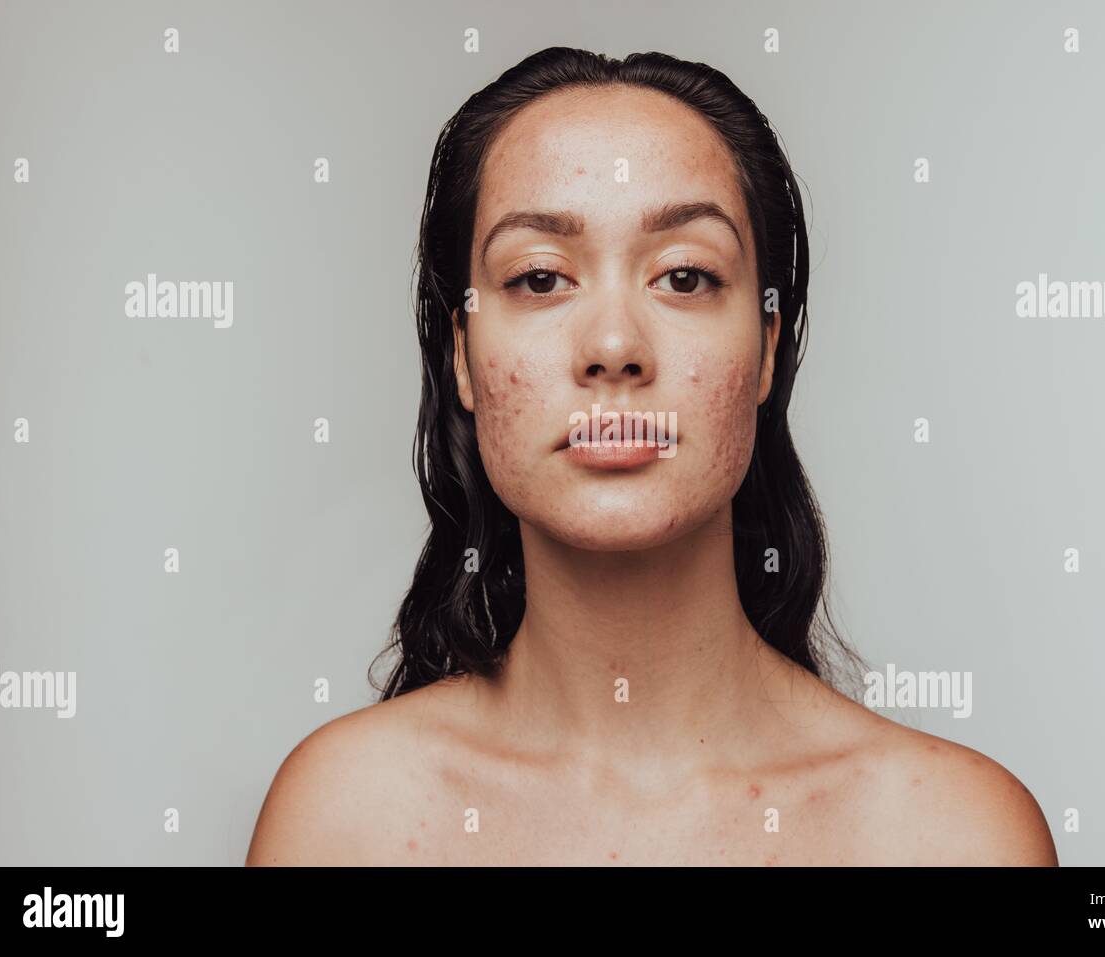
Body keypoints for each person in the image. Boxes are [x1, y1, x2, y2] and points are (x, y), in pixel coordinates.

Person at [246, 47, 1058, 866]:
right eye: (537, 279)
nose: (612, 346)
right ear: (462, 353)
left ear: (767, 344)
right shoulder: (342, 822)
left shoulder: (952, 836)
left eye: (684, 276)